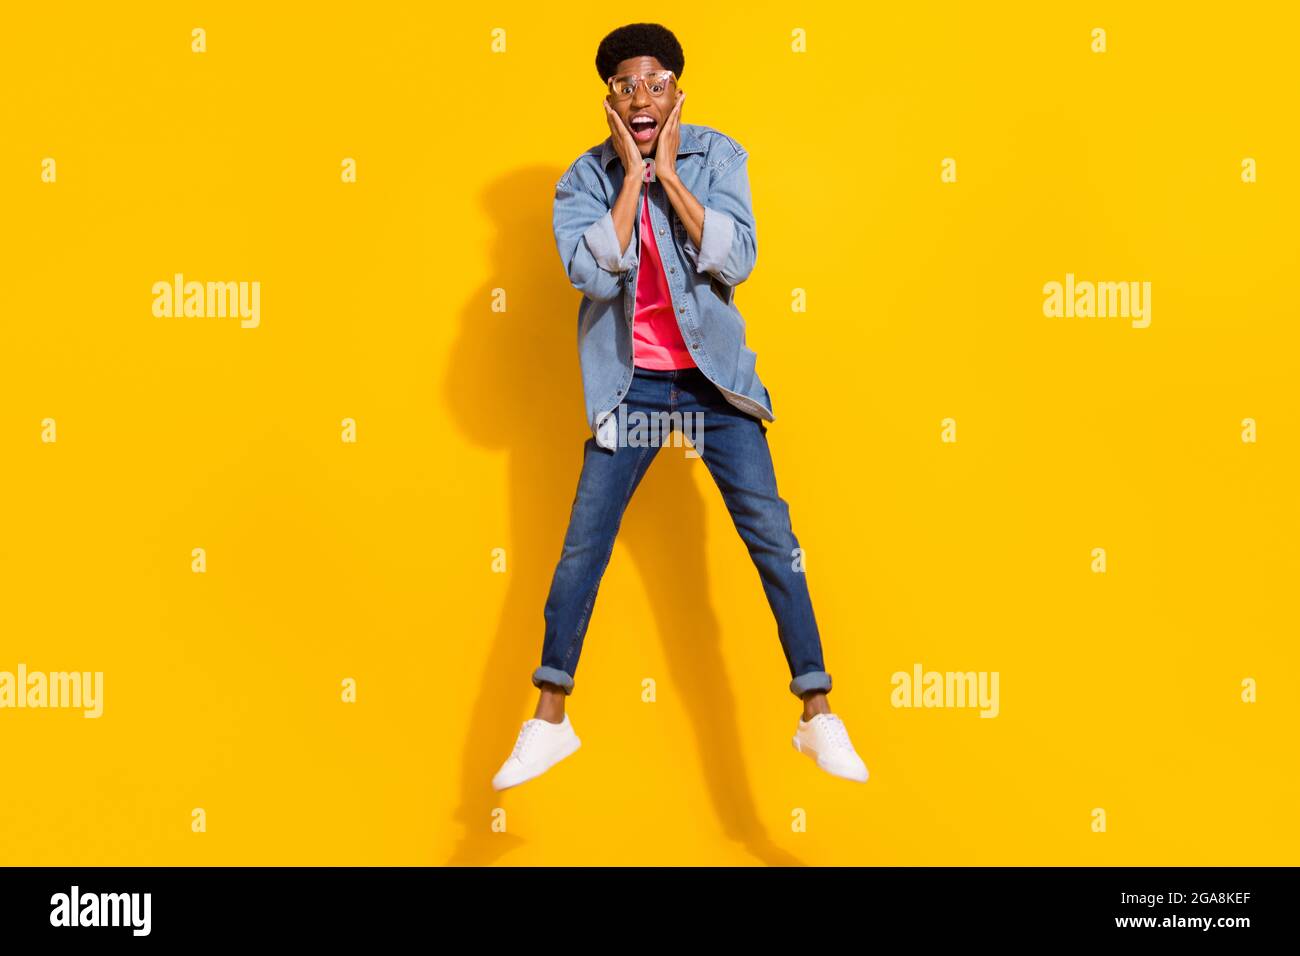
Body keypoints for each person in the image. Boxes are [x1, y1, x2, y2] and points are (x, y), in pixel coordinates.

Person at [493, 23, 868, 790]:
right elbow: (590, 276)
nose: (642, 96)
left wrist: (670, 175)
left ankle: (817, 712)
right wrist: (632, 180)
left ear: (677, 91)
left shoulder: (719, 157)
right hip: (630, 388)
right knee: (581, 548)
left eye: (656, 83)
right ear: (609, 100)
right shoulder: (583, 180)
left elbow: (738, 256)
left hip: (711, 384)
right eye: (627, 85)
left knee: (772, 535)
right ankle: (548, 719)